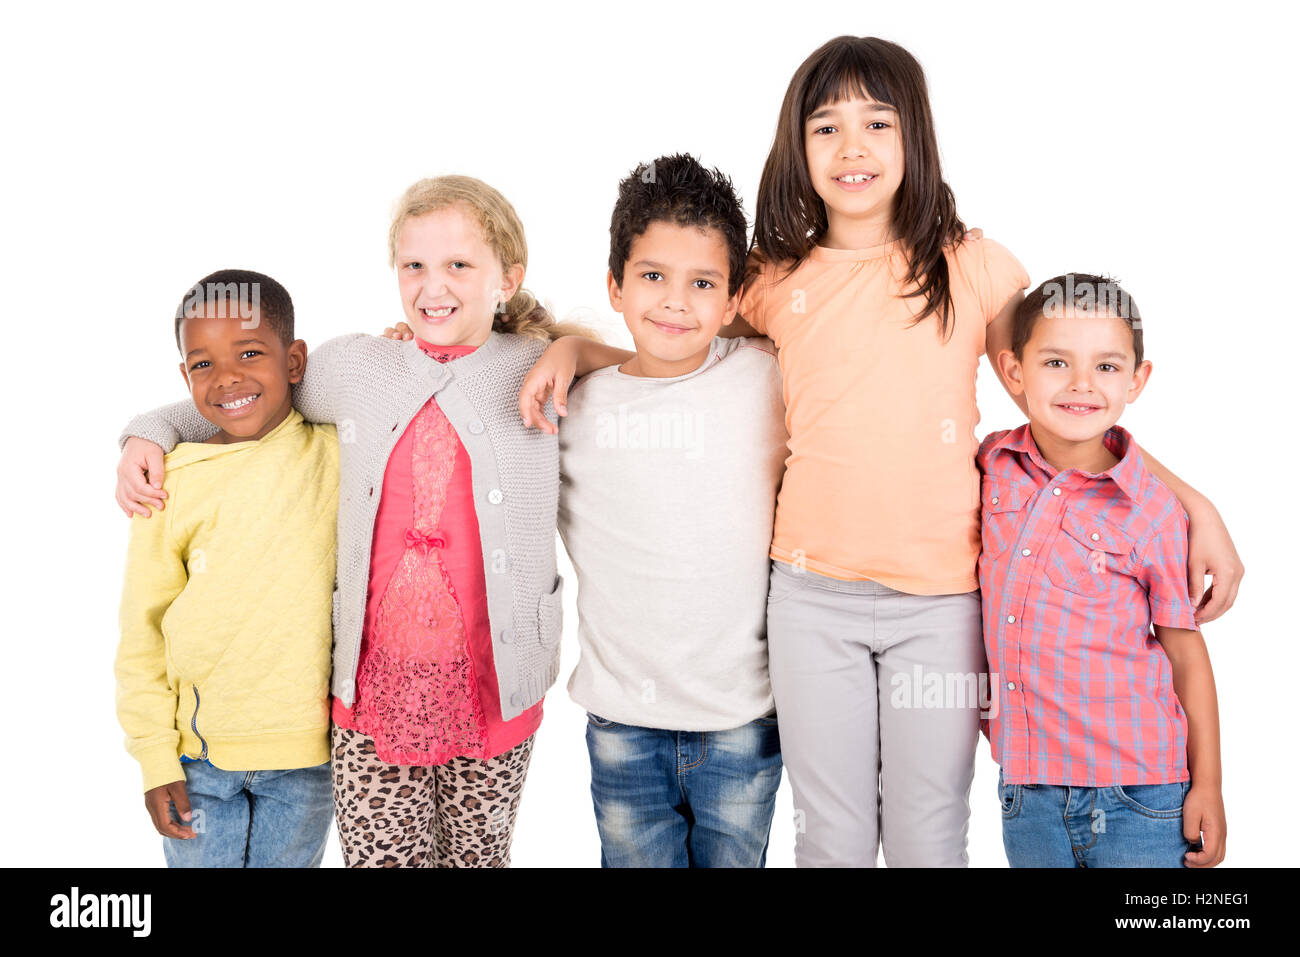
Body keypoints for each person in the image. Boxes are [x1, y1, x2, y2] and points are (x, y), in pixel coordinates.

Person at [520, 35, 1243, 867]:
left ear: (915, 140)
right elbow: (677, 346)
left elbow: (1065, 406)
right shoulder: (771, 277)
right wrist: (578, 352)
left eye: (877, 123)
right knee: (831, 835)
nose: (852, 148)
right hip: (807, 599)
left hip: (939, 601)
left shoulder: (970, 266)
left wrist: (1193, 502)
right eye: (826, 128)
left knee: (928, 833)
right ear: (797, 145)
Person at [115, 177, 586, 867]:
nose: (434, 285)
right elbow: (250, 393)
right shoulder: (358, 366)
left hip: (496, 691)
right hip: (369, 697)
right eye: (414, 265)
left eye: (460, 265)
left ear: (507, 278)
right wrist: (148, 430)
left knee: (479, 859)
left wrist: (576, 349)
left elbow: (642, 366)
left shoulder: (536, 370)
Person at [979, 273, 1226, 867]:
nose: (1082, 385)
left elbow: (1187, 658)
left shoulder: (1154, 511)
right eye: (1057, 361)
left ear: (1138, 380)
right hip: (1027, 791)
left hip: (1141, 793)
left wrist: (1209, 786)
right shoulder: (992, 466)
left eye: (1108, 368)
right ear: (1014, 373)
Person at [116, 269, 337, 867]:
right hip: (197, 764)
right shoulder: (172, 481)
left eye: (249, 352)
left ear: (294, 361)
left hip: (308, 762)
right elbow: (142, 634)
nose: (229, 378)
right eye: (203, 364)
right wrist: (155, 759)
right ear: (184, 377)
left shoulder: (336, 453)